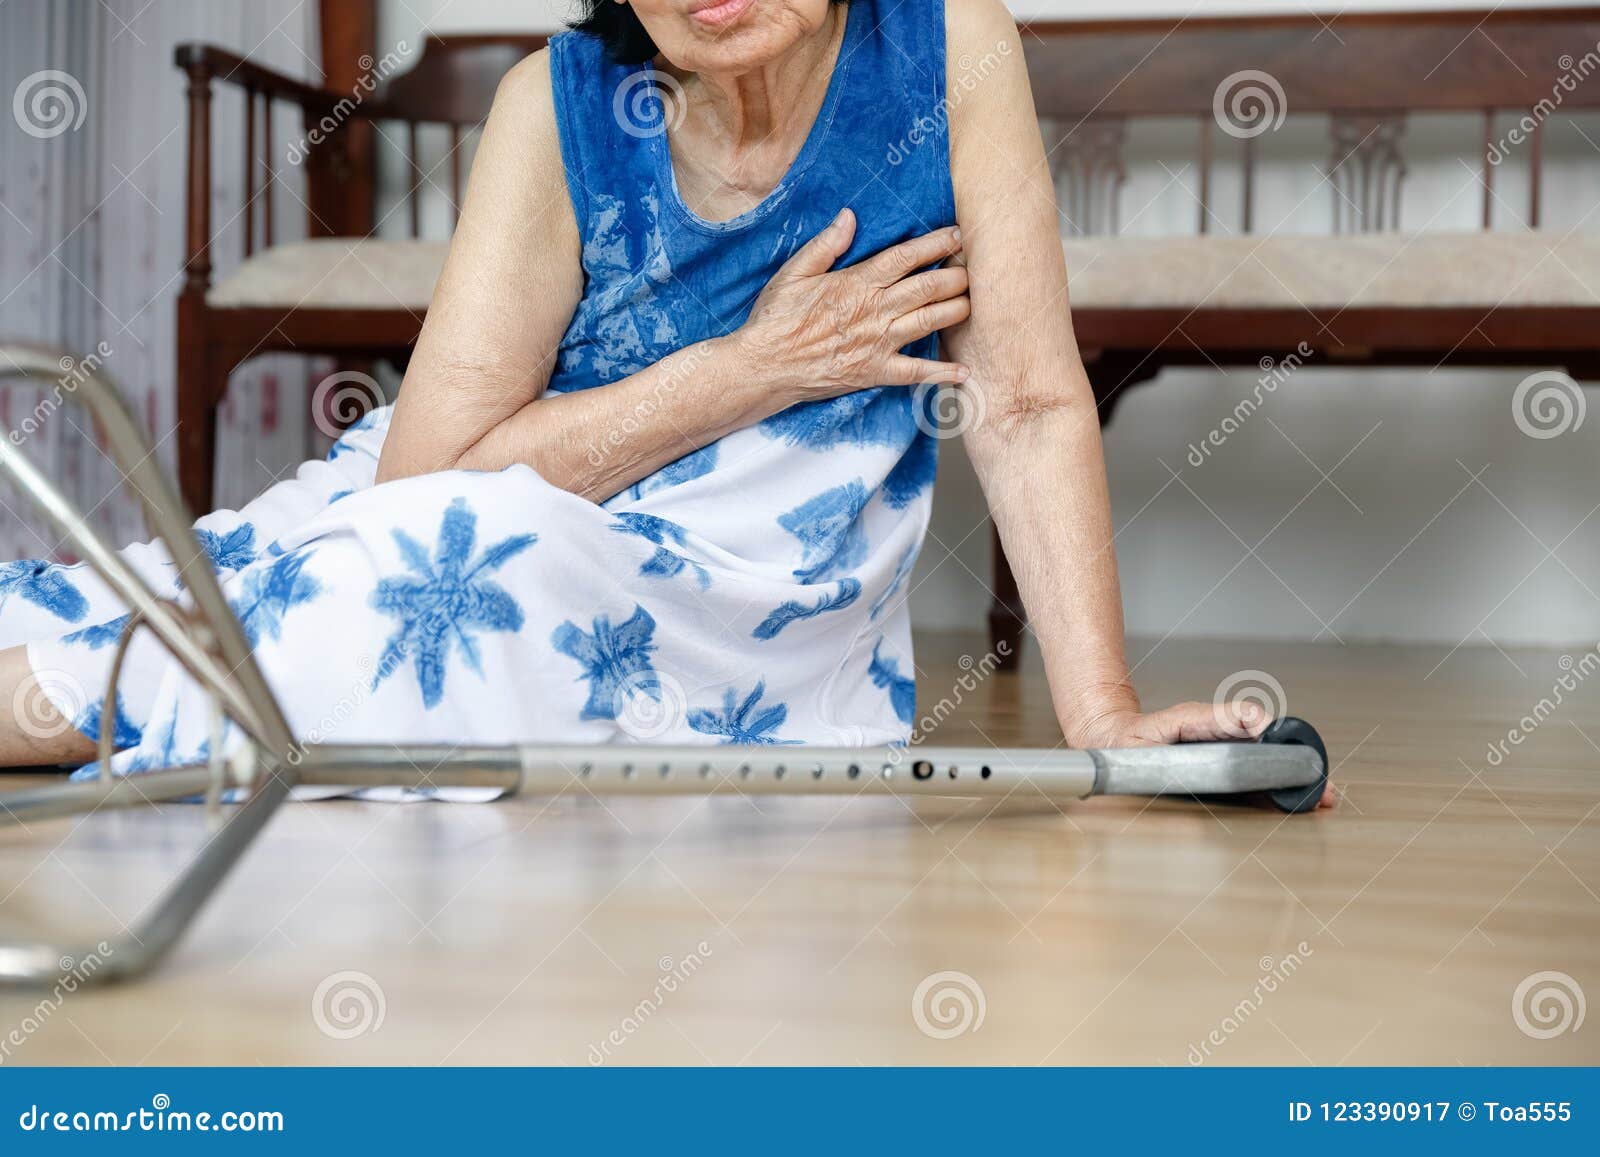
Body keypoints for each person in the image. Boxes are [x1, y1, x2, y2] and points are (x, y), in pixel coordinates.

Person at [0, 0, 1334, 806]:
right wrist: (752, 367)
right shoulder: (556, 104)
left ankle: (85, 707)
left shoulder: (950, 49)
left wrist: (1101, 715)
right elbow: (427, 485)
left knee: (390, 595)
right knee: (154, 587)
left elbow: (1031, 406)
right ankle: (96, 684)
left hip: (748, 615)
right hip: (484, 517)